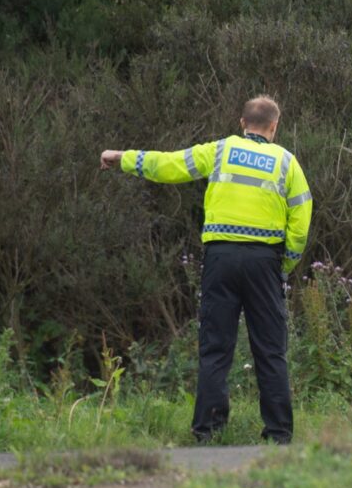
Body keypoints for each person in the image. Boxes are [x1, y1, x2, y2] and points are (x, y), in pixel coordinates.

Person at [100, 95, 311, 444]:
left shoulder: (220, 151)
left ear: (242, 123)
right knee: (271, 351)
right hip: (264, 263)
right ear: (274, 127)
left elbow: (169, 165)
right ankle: (279, 436)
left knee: (216, 348)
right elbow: (301, 221)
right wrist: (283, 264)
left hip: (221, 258)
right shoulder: (287, 163)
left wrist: (123, 159)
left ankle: (207, 432)